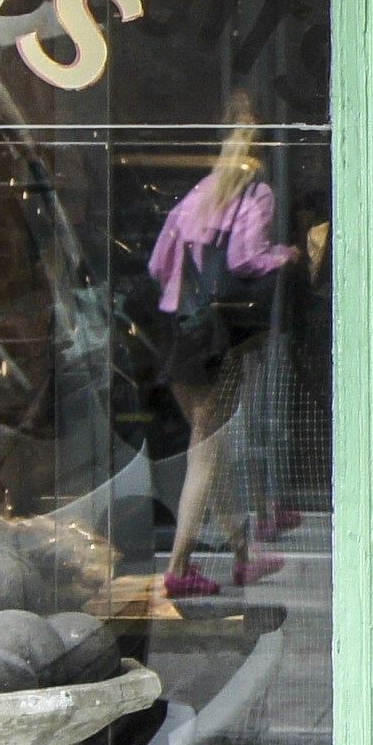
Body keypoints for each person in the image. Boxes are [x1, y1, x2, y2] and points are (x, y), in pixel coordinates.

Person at [143, 101, 283, 593]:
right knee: (205, 453)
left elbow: (159, 264)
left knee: (211, 449)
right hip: (217, 342)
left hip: (180, 336)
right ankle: (179, 569)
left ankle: (243, 555)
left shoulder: (197, 193)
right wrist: (286, 256)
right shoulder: (255, 193)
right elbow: (247, 259)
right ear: (259, 152)